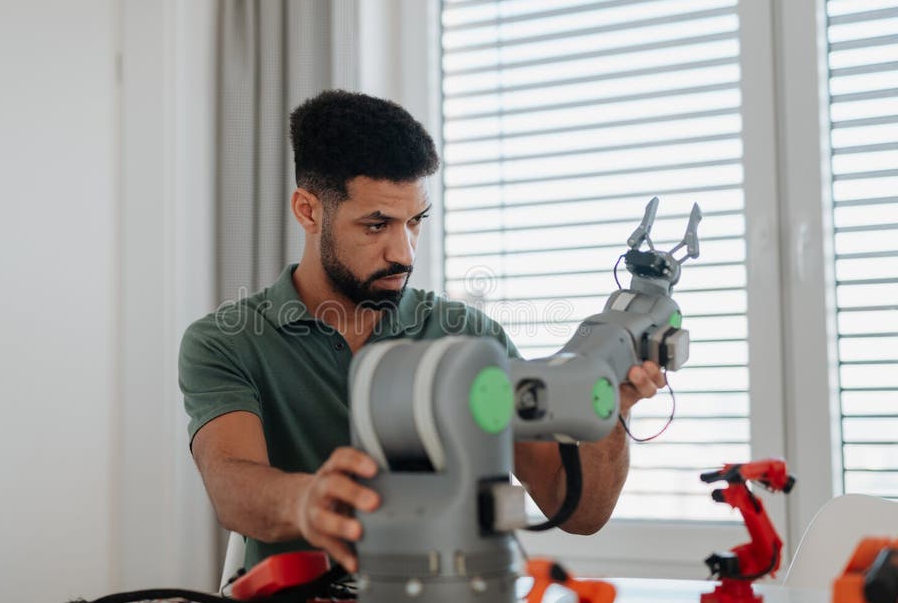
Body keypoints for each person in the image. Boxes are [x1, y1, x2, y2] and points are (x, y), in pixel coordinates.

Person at [179, 89, 665, 574]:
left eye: (415, 222)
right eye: (376, 225)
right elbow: (231, 487)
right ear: (308, 211)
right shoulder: (227, 341)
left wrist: (614, 411)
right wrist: (305, 500)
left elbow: (577, 513)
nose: (405, 252)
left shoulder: (474, 340)